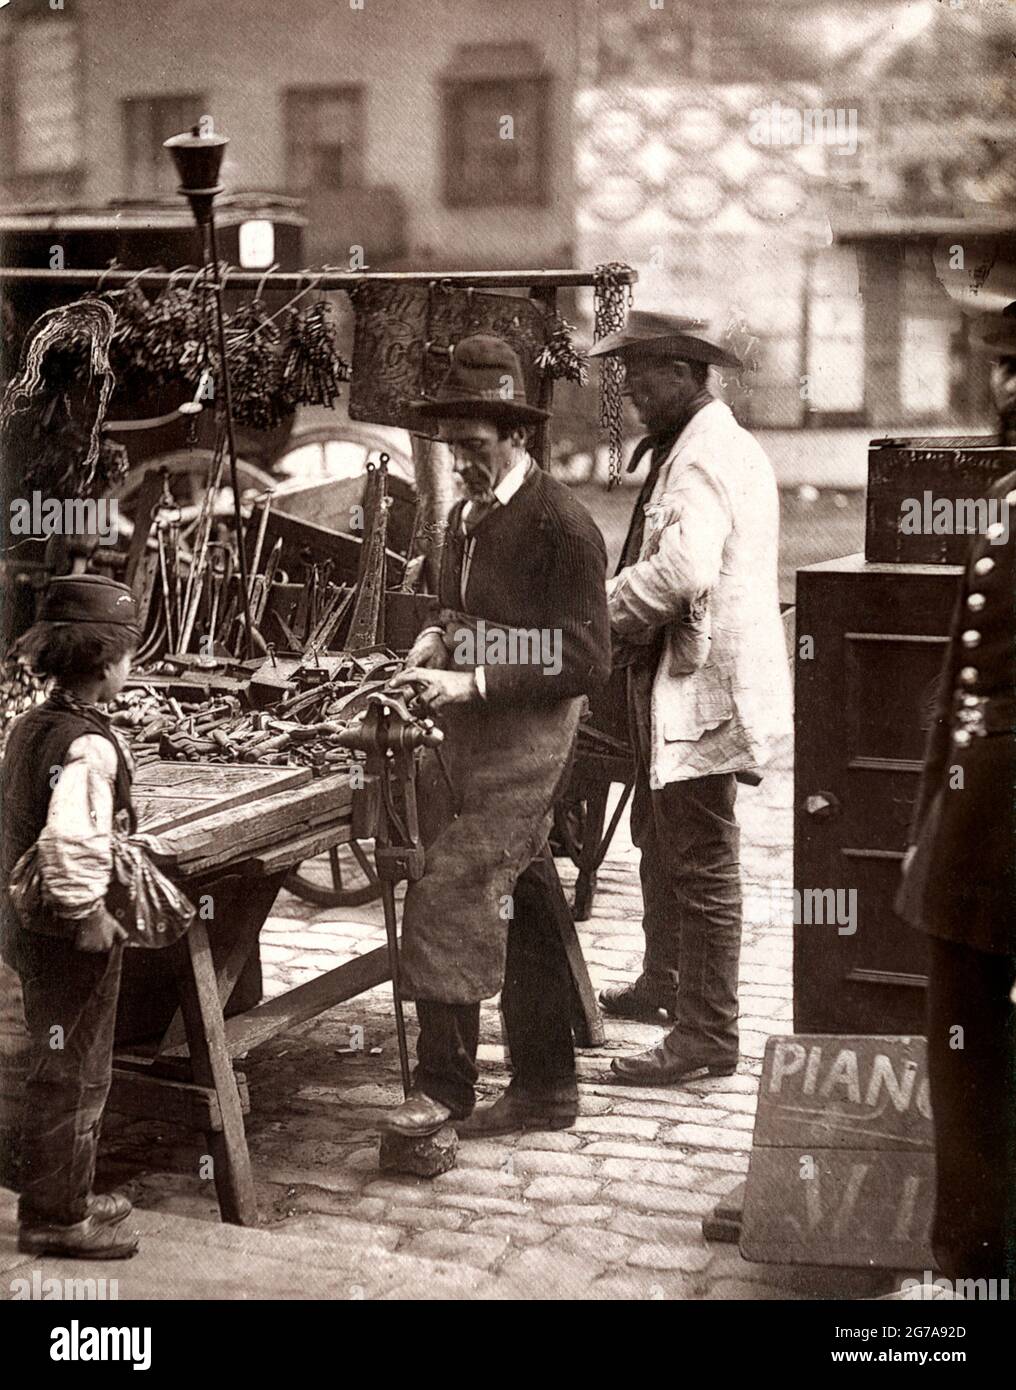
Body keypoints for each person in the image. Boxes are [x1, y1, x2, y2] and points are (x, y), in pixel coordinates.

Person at [379, 334, 611, 1138]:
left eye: (476, 449)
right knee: (526, 894)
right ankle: (547, 1086)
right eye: (454, 450)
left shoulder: (562, 527)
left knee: (452, 883)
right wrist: (440, 640)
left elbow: (582, 654)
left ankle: (442, 1091)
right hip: (472, 732)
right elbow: (463, 612)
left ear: (516, 435)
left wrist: (472, 676)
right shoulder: (466, 516)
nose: (463, 464)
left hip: (531, 736)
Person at [587, 312, 792, 1084]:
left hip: (701, 688)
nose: (631, 392)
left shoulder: (704, 457)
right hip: (685, 679)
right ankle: (665, 982)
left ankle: (707, 1034)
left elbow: (682, 574)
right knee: (658, 829)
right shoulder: (696, 443)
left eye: (641, 377)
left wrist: (594, 614)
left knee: (700, 855)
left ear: (681, 374)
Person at [895, 316, 1016, 1285]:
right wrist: (925, 821)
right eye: (1005, 371)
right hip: (975, 830)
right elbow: (960, 679)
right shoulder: (1005, 498)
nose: (1006, 392)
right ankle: (969, 1256)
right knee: (960, 1041)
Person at [1, 574, 142, 1258]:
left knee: (53, 1059)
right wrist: (89, 915)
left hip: (23, 924)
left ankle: (66, 1192)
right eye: (127, 655)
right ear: (107, 663)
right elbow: (70, 843)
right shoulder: (88, 747)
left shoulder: (32, 724)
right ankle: (57, 1216)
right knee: (76, 1071)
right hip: (64, 931)